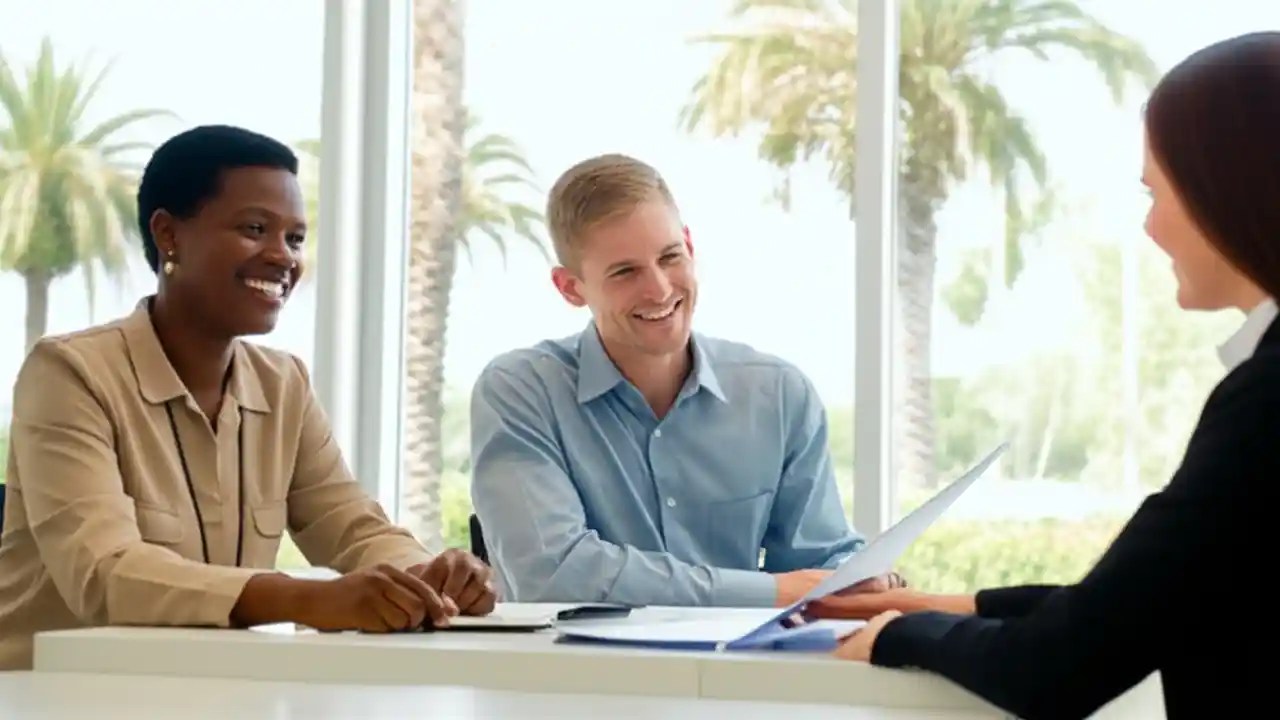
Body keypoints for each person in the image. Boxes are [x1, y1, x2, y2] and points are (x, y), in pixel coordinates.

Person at [813, 32, 1280, 719]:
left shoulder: (1265, 402)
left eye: (1155, 191)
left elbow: (1059, 667)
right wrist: (936, 603)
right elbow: (1156, 593)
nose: (1150, 227)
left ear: (1225, 183)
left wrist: (900, 633)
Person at [0, 124, 495, 671]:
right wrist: (307, 598)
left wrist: (427, 578)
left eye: (295, 238)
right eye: (255, 228)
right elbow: (104, 573)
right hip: (52, 696)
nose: (282, 256)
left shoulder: (283, 384)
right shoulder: (70, 372)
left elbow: (352, 527)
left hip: (210, 693)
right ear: (169, 235)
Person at [469, 152, 898, 608]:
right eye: (625, 272)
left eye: (670, 256)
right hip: (577, 678)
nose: (659, 289)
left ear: (690, 247)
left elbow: (816, 561)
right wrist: (772, 592)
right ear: (571, 288)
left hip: (739, 677)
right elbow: (553, 575)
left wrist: (859, 577)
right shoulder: (519, 392)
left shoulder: (779, 395)